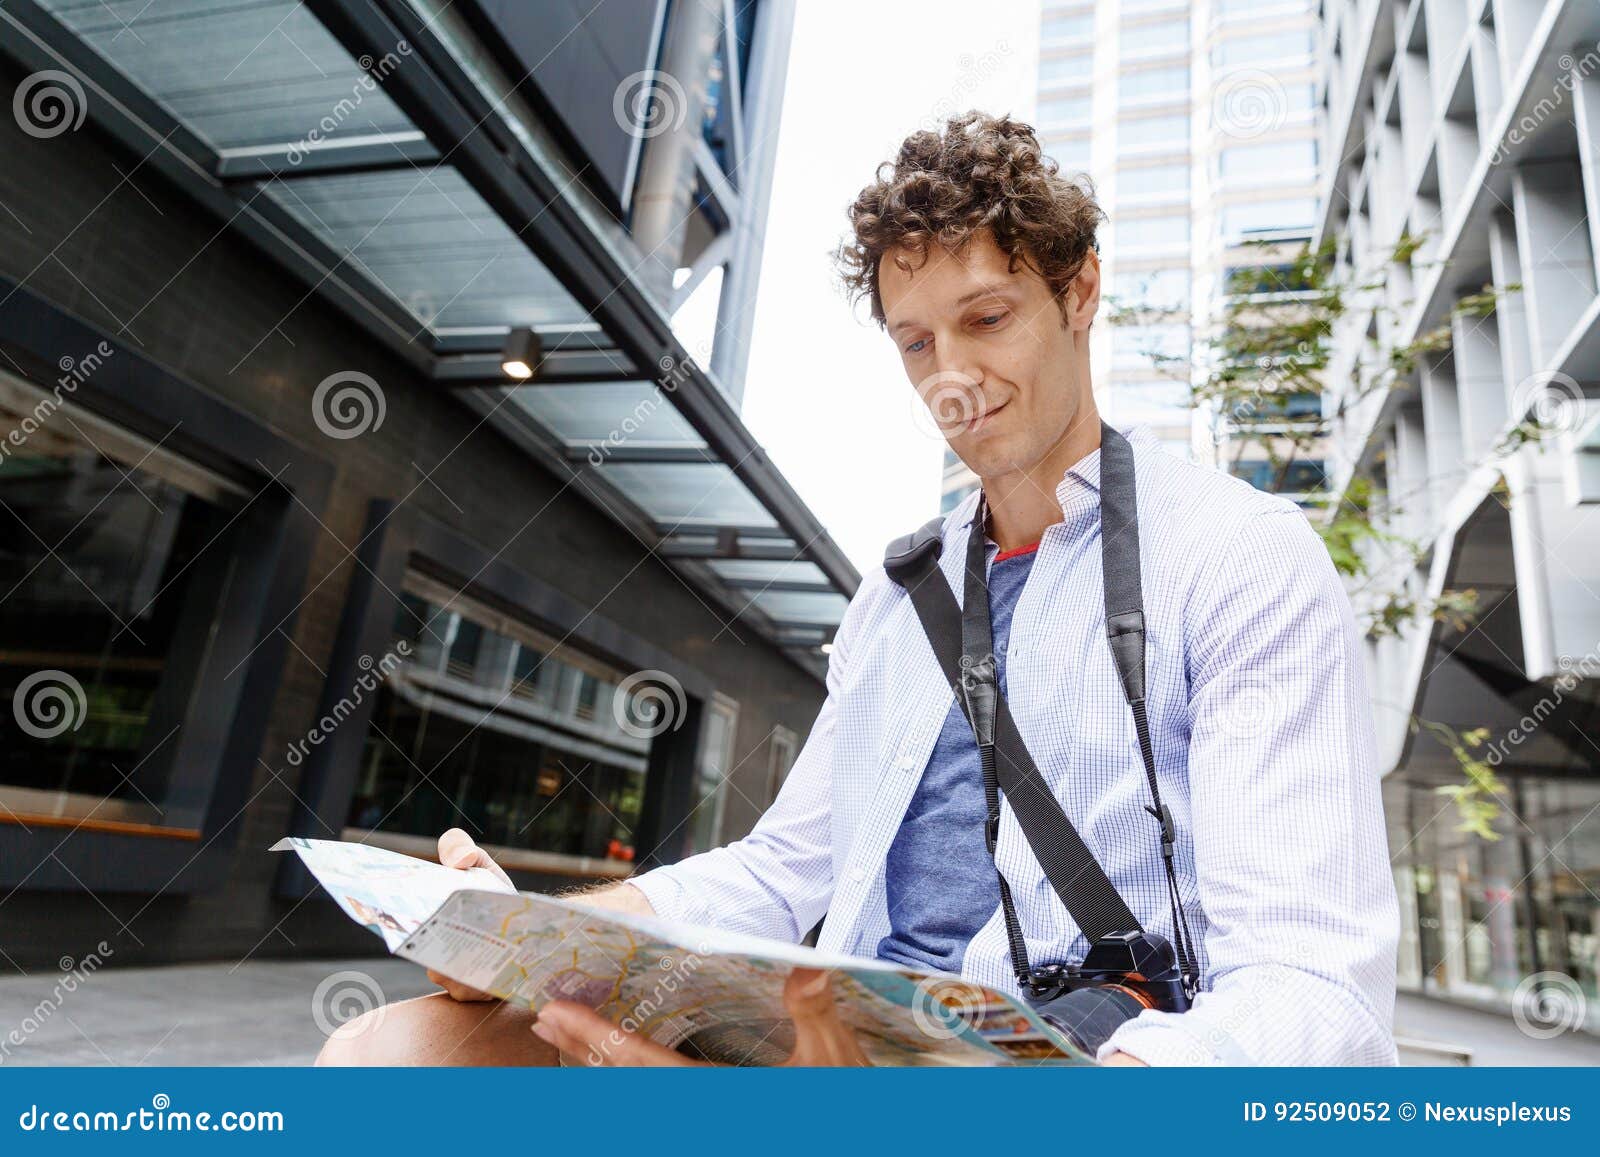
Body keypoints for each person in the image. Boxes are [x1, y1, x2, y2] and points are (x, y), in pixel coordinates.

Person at [318, 111, 1400, 1067]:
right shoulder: (899, 596)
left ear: (1078, 293)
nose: (950, 380)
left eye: (985, 320)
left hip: (1055, 1074)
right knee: (388, 1051)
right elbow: (788, 865)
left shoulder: (1238, 556)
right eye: (915, 341)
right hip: (824, 1042)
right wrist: (523, 937)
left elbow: (1311, 982)